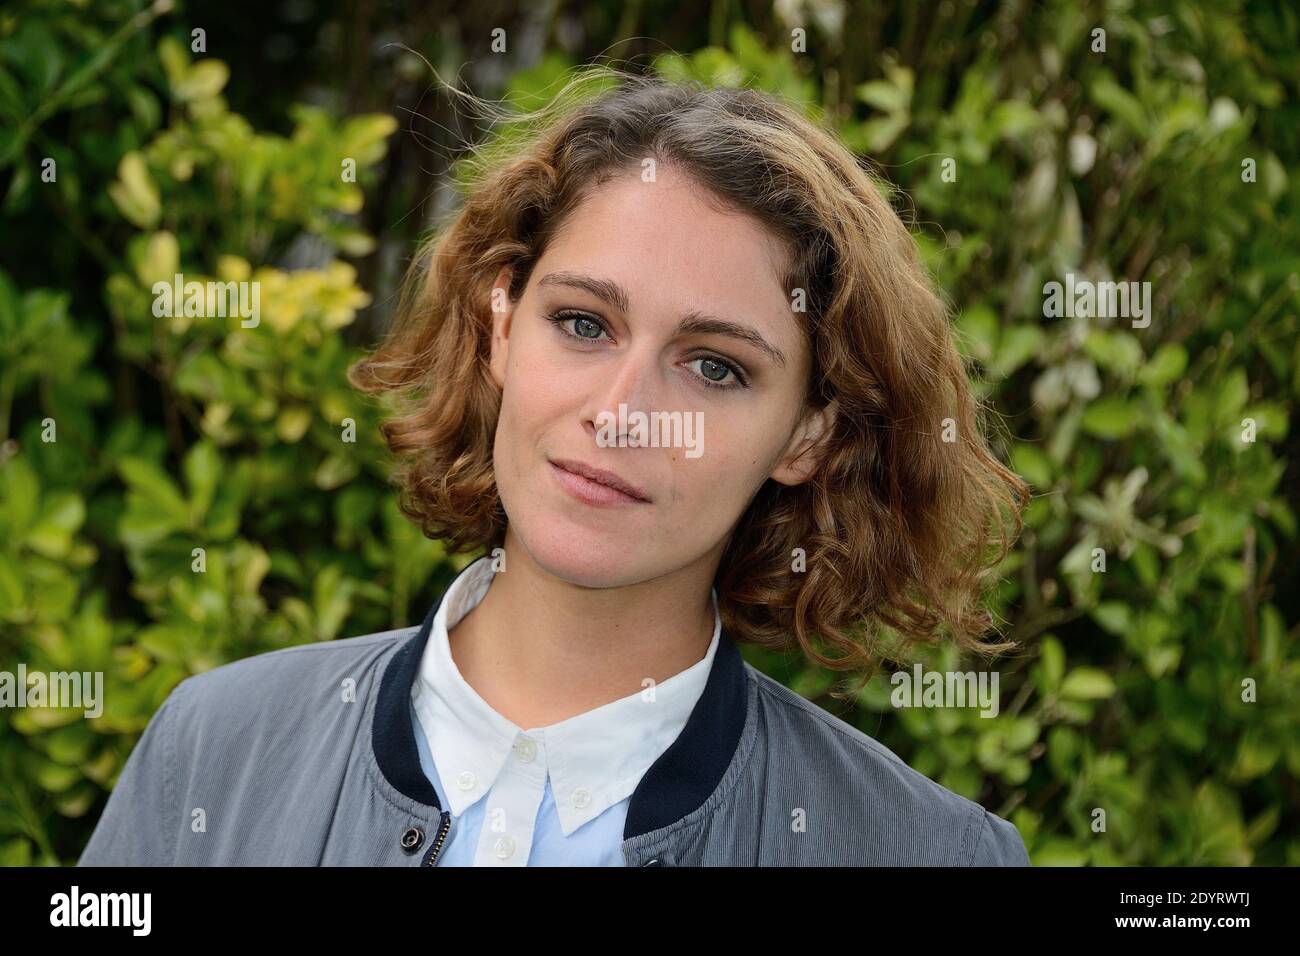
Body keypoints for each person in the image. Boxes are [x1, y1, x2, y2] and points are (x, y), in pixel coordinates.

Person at [79, 66, 1032, 867]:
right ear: (501, 326)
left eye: (714, 366)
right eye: (583, 323)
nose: (618, 415)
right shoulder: (210, 754)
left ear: (807, 436)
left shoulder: (932, 854)